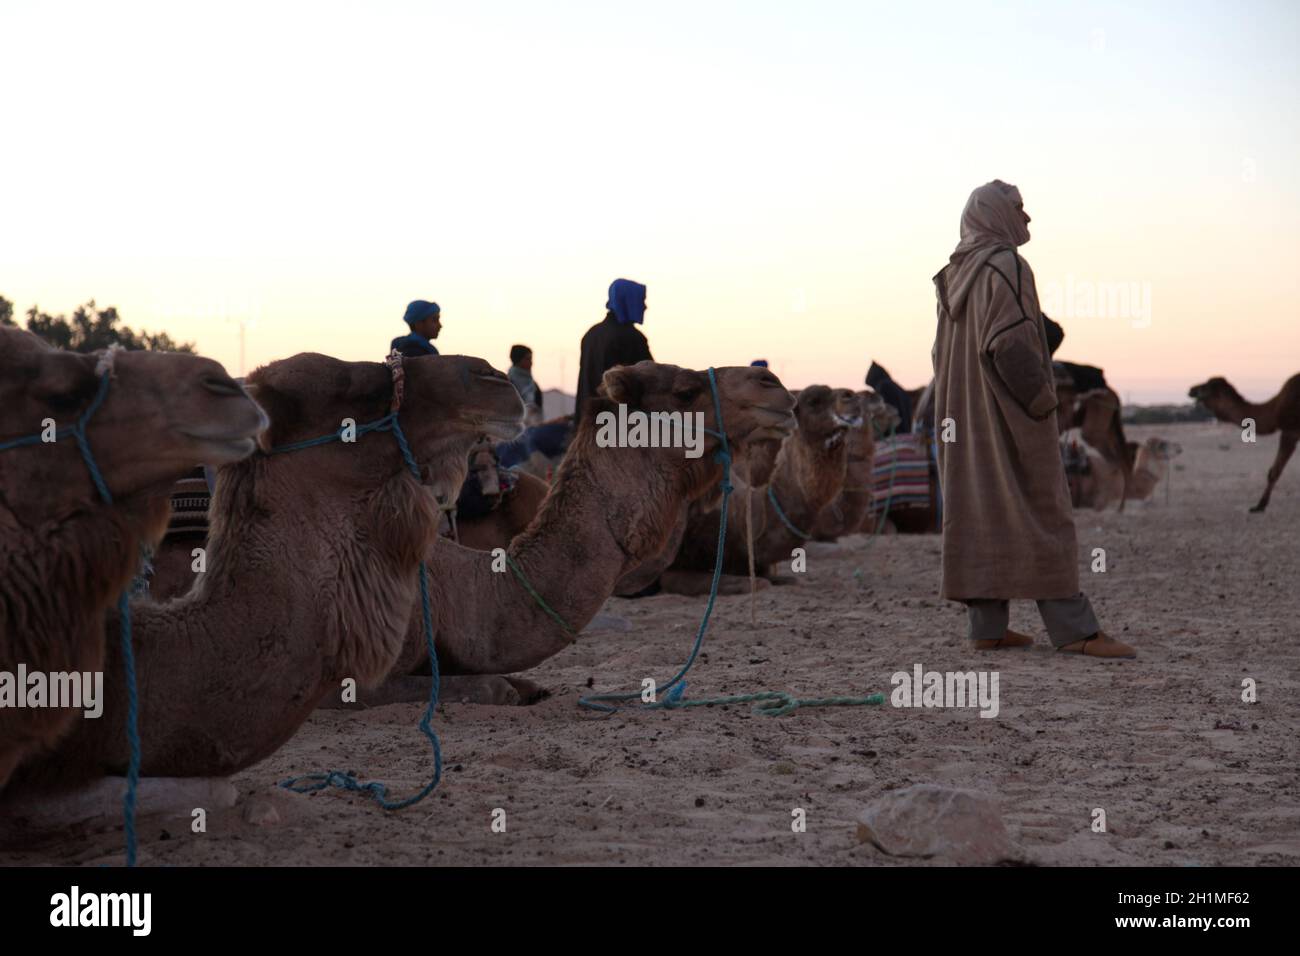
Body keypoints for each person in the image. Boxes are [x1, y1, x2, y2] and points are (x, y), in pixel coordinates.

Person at [931, 180, 1135, 659]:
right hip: (1009, 414)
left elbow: (941, 355)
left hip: (963, 418)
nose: (1027, 218)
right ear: (994, 216)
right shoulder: (1006, 266)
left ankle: (987, 627)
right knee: (1044, 510)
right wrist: (1043, 402)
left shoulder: (951, 277)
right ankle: (1074, 630)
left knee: (978, 511)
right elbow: (1014, 344)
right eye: (1018, 208)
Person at [574, 278, 653, 423]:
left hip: (589, 424)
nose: (645, 306)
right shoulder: (632, 338)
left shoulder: (591, 334)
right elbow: (650, 384)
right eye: (641, 300)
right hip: (621, 428)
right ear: (628, 301)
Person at [865, 360, 914, 434]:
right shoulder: (896, 386)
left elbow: (885, 413)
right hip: (905, 432)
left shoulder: (883, 387)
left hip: (895, 436)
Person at [508, 344, 543, 425]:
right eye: (528, 359)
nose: (531, 363)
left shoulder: (531, 383)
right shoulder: (511, 382)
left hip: (533, 427)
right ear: (518, 360)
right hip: (521, 429)